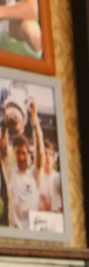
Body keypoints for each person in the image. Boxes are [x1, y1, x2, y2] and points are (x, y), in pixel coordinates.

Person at [0, 97, 46, 232]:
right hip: (14, 233)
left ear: (29, 154)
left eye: (24, 153)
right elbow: (3, 151)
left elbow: (40, 150)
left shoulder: (34, 174)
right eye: (18, 153)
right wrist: (5, 125)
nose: (21, 157)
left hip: (33, 233)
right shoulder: (11, 173)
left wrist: (34, 118)